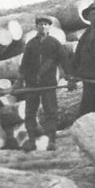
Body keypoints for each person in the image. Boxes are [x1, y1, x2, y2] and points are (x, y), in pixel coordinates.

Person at [16, 15, 71, 151]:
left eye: (46, 24)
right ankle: (32, 140)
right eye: (40, 24)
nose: (43, 26)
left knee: (51, 112)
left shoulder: (54, 43)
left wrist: (70, 77)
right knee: (30, 113)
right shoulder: (31, 44)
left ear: (49, 27)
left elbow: (64, 60)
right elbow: (24, 65)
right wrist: (19, 81)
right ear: (36, 27)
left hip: (48, 84)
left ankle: (51, 141)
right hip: (32, 84)